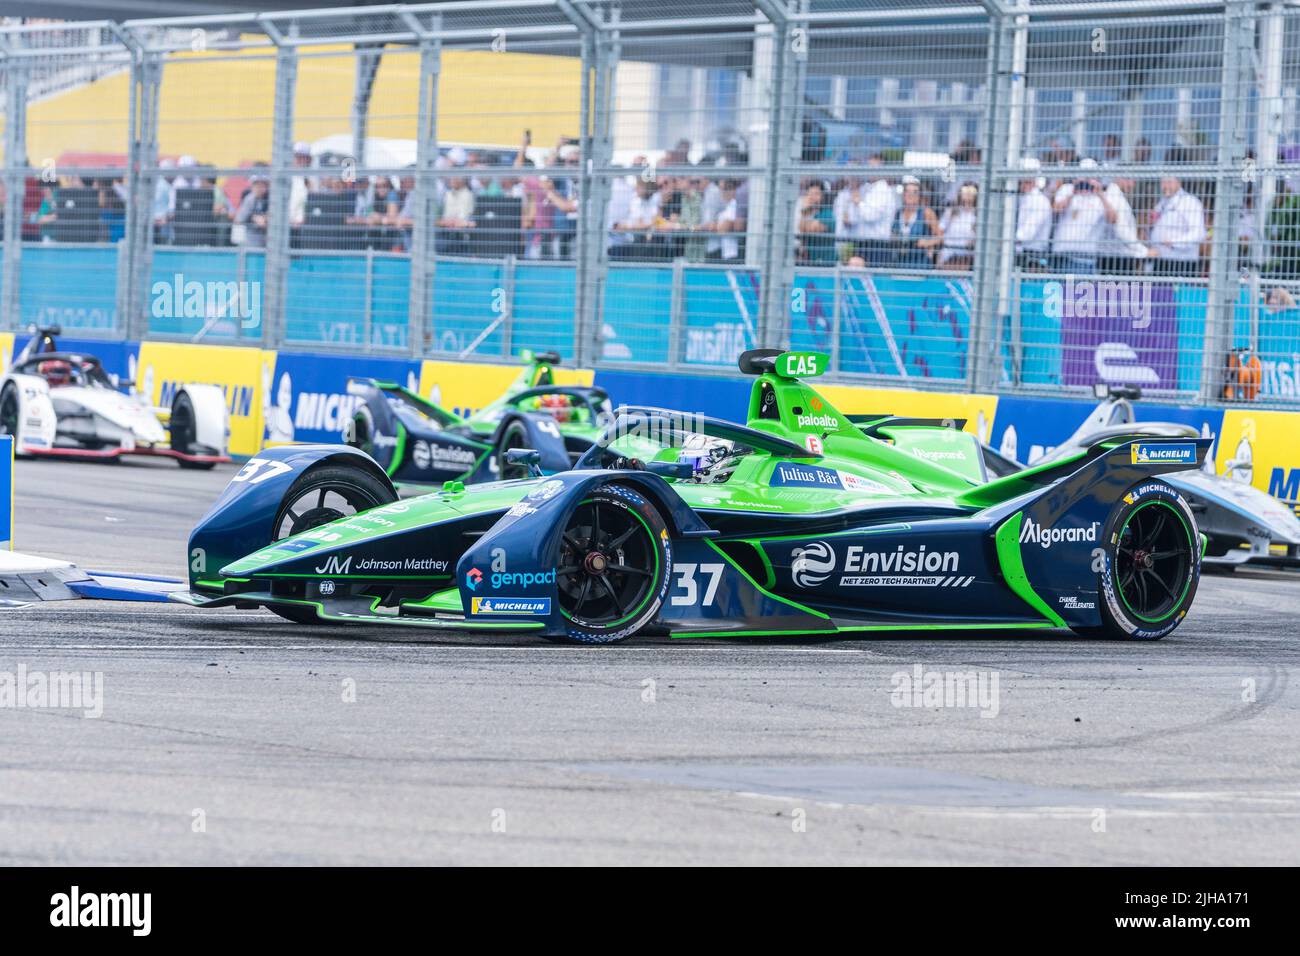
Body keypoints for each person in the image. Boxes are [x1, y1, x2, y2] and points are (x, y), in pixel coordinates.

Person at [1050, 158, 1115, 274]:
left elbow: (1113, 219)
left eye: (1089, 178)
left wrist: (1100, 194)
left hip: (1084, 260)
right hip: (1060, 255)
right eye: (1083, 177)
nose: (1085, 182)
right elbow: (1055, 209)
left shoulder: (1102, 197)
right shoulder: (1067, 189)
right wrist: (1072, 193)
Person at [1148, 174, 1206, 276]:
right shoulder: (1162, 202)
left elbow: (1198, 233)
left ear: (1179, 182)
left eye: (1169, 182)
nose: (1165, 186)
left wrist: (1174, 243)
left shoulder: (1190, 202)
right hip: (1161, 260)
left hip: (1181, 262)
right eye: (1163, 182)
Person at [1097, 175, 1146, 274]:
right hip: (1115, 259)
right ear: (1120, 178)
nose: (1133, 184)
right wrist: (1143, 251)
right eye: (1131, 180)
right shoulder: (1114, 197)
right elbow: (1121, 230)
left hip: (1114, 256)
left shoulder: (1116, 196)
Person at [890, 176, 941, 269]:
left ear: (919, 196)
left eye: (915, 192)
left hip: (920, 264)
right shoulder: (898, 213)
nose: (910, 195)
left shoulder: (926, 212)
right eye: (907, 191)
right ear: (903, 194)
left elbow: (940, 237)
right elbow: (893, 233)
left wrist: (927, 243)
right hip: (900, 263)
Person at [1015, 157, 1052, 269]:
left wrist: (1007, 240)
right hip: (1020, 253)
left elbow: (1028, 233)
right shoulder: (1023, 198)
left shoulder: (1039, 200)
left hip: (1033, 256)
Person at [937, 182, 978, 270]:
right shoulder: (951, 212)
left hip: (967, 254)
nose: (967, 194)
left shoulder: (978, 215)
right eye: (965, 191)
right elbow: (940, 230)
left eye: (971, 191)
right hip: (948, 251)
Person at [796, 179, 836, 265]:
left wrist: (805, 213)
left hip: (826, 263)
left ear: (822, 196)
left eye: (816, 194)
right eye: (810, 194)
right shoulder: (808, 214)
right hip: (810, 262)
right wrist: (805, 213)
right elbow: (801, 228)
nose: (812, 197)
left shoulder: (827, 214)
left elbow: (812, 228)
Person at [234, 175, 270, 247]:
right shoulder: (249, 199)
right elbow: (239, 220)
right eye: (257, 185)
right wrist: (254, 218)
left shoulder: (270, 198)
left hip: (267, 239)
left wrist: (265, 219)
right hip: (250, 237)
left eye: (262, 185)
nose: (259, 188)